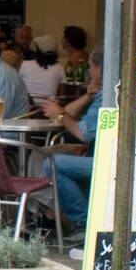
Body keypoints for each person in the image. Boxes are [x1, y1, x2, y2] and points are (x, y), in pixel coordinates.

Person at [40, 46, 105, 239]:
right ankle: (47, 211)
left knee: (52, 164)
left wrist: (59, 113)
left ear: (100, 70)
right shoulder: (101, 92)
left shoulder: (107, 94)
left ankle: (85, 224)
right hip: (97, 152)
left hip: (108, 160)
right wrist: (87, 96)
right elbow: (70, 113)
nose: (89, 72)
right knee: (50, 154)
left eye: (91, 67)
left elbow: (81, 132)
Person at [19, 34, 67, 109]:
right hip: (49, 111)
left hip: (27, 111)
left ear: (37, 50)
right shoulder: (60, 68)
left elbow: (19, 87)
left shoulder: (25, 64)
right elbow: (62, 95)